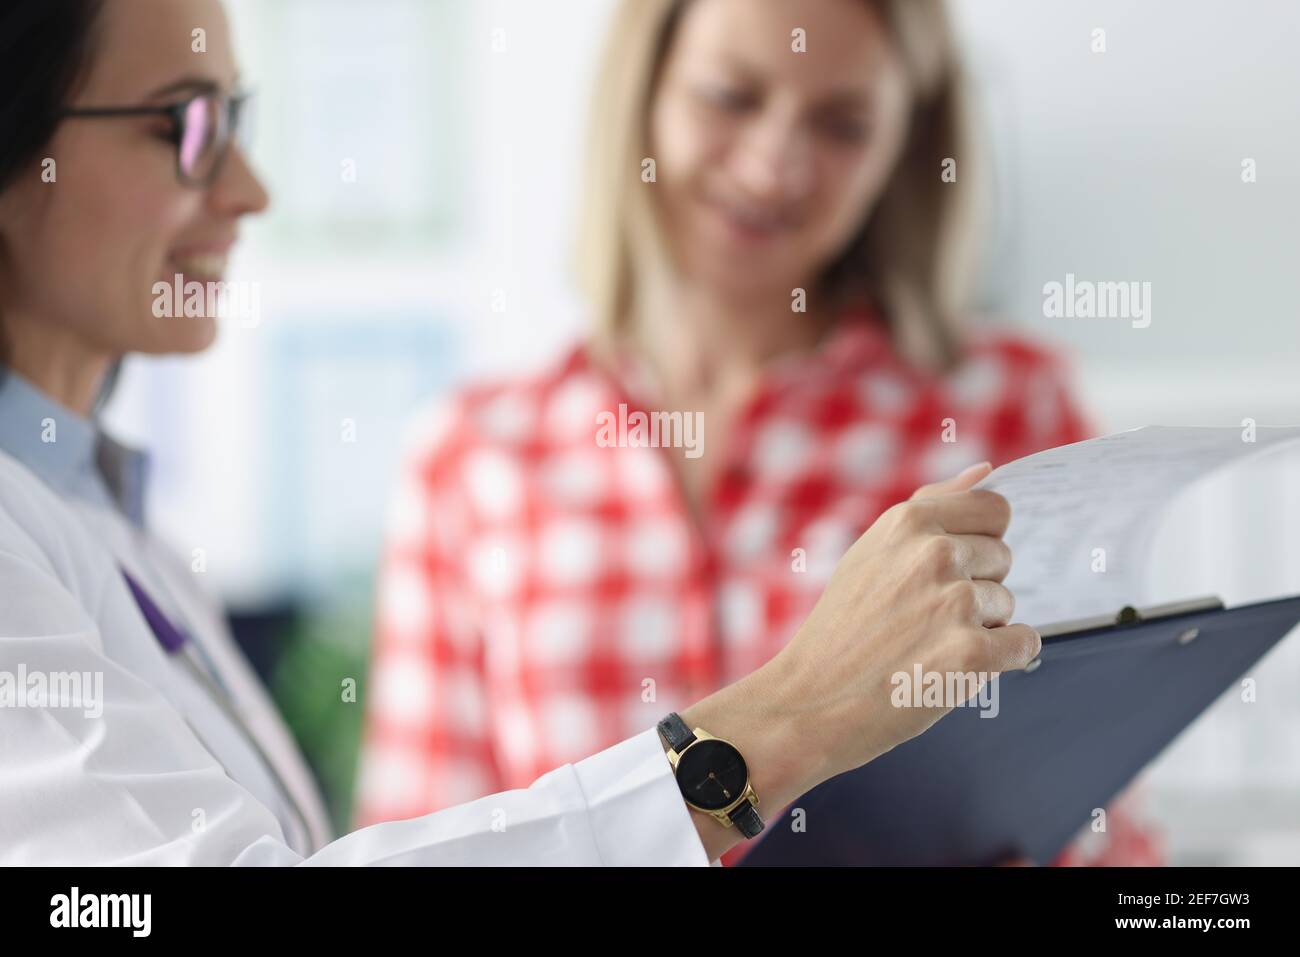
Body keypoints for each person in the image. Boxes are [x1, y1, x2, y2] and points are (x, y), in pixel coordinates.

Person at [0, 0, 1039, 866]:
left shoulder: (105, 514)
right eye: (180, 125)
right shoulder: (478, 451)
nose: (249, 189)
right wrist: (786, 722)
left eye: (237, 119)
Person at [355, 0, 1161, 865]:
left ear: (903, 147)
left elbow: (1106, 837)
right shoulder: (474, 455)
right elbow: (435, 841)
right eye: (730, 97)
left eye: (843, 124)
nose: (776, 166)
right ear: (643, 96)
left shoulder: (1011, 412)